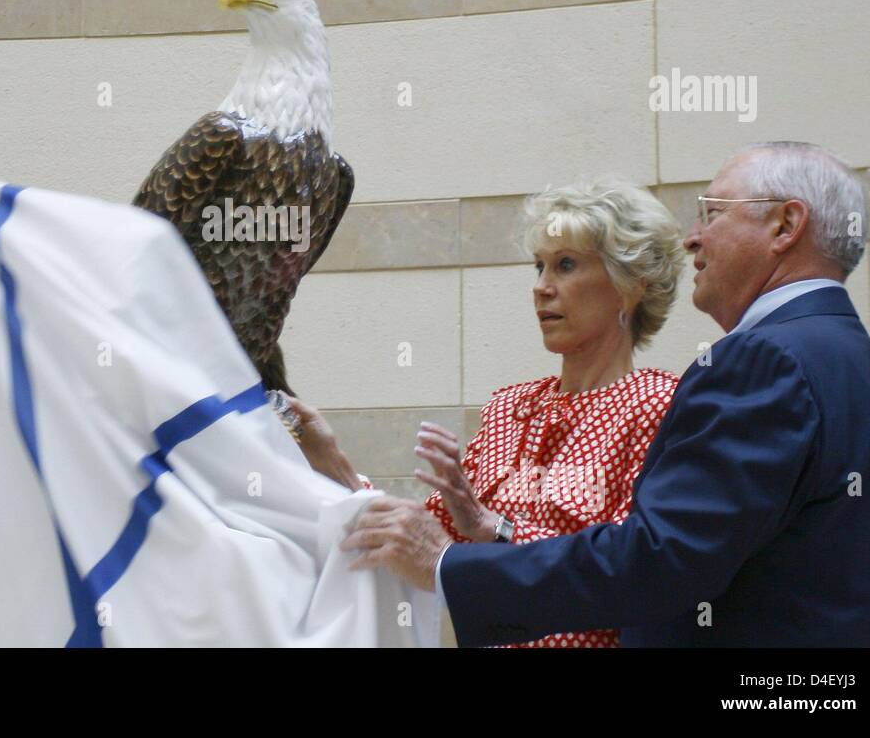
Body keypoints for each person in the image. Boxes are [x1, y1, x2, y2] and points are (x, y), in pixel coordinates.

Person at [343, 141, 870, 647]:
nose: (693, 237)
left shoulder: (760, 361)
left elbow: (656, 560)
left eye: (712, 213)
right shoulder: (849, 357)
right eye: (539, 266)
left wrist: (448, 565)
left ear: (786, 226)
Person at [290, 179, 684, 646]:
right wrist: (333, 465)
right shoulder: (508, 407)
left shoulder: (659, 405)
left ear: (630, 286)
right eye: (538, 267)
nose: (541, 288)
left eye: (565, 265)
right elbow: (424, 546)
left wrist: (495, 529)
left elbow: (632, 571)